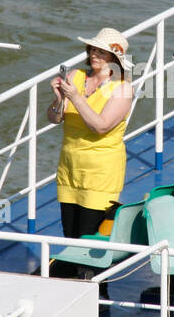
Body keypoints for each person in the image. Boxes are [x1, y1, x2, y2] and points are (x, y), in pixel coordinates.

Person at [47, 28, 135, 250]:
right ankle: (73, 282)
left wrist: (75, 97)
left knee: (91, 243)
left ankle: (97, 285)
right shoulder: (75, 76)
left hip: (100, 174)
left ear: (115, 59)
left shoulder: (122, 89)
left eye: (102, 52)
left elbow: (101, 126)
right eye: (93, 49)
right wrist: (59, 100)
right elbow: (54, 118)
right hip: (70, 169)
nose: (94, 54)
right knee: (70, 238)